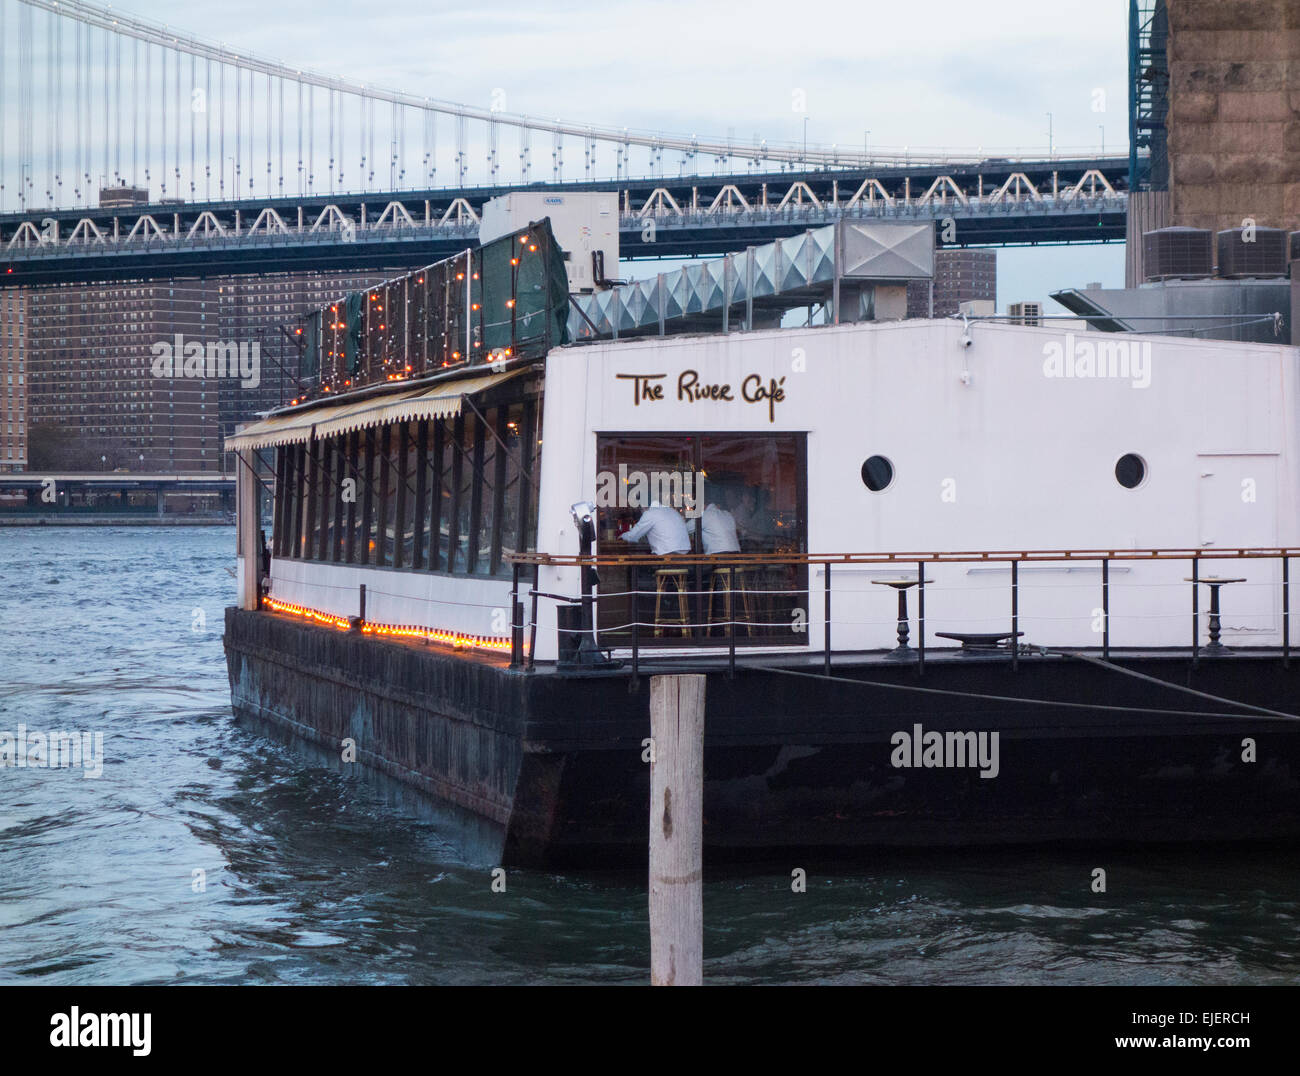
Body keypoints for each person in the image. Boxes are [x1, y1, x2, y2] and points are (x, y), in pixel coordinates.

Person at [620, 500, 691, 556]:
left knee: (637, 562)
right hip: (685, 553)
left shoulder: (649, 513)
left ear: (644, 507)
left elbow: (633, 536)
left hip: (667, 553)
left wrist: (622, 536)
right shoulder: (672, 511)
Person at [701, 490, 741, 555]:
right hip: (736, 553)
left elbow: (686, 529)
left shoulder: (706, 514)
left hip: (718, 555)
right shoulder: (728, 514)